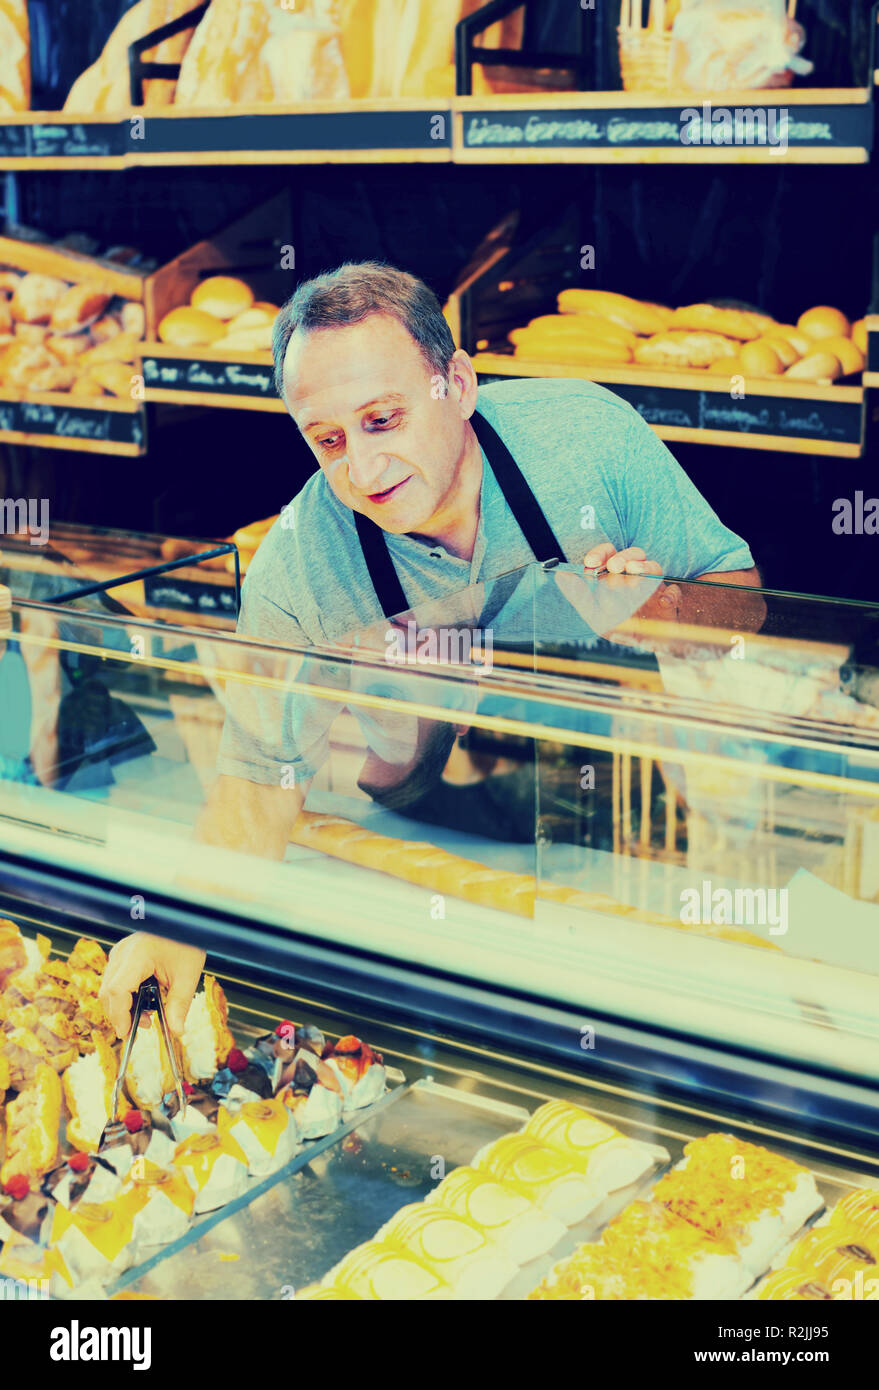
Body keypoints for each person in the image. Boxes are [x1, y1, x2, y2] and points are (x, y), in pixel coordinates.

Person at [100, 261, 761, 1038]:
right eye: (328, 441)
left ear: (458, 384)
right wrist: (179, 924)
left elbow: (742, 599)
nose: (363, 470)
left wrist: (663, 610)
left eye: (383, 420)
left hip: (640, 856)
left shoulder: (585, 436)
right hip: (444, 883)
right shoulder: (297, 566)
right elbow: (257, 789)